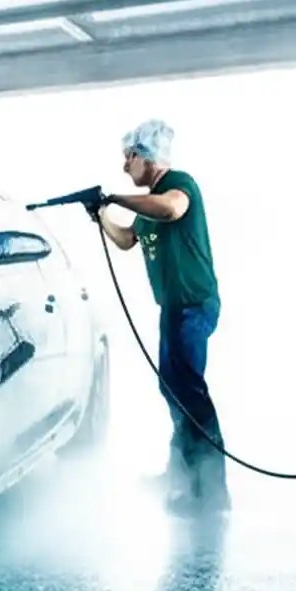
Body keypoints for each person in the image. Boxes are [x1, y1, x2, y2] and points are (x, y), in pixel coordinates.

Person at [90, 119, 230, 513]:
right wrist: (101, 216)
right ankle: (181, 475)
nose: (124, 167)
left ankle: (212, 491)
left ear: (143, 155)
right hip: (171, 308)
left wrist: (115, 198)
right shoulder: (147, 203)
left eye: (127, 158)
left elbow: (171, 210)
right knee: (170, 388)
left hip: (194, 306)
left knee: (188, 391)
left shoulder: (179, 185)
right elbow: (126, 241)